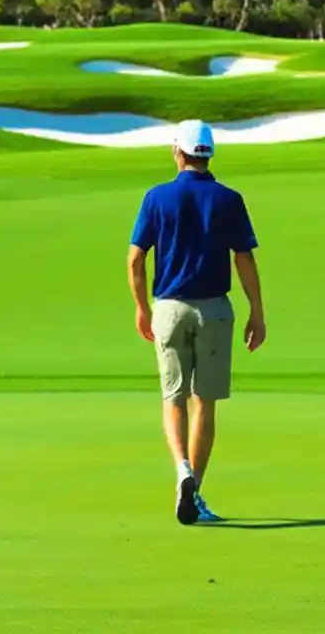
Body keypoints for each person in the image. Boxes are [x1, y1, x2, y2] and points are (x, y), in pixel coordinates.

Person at [127, 120, 266, 526]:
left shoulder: (157, 197)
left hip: (169, 308)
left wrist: (140, 306)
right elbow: (244, 258)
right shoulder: (229, 199)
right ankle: (196, 491)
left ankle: (181, 470)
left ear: (178, 152)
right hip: (214, 310)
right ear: (209, 154)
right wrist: (257, 310)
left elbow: (135, 258)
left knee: (173, 397)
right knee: (203, 401)